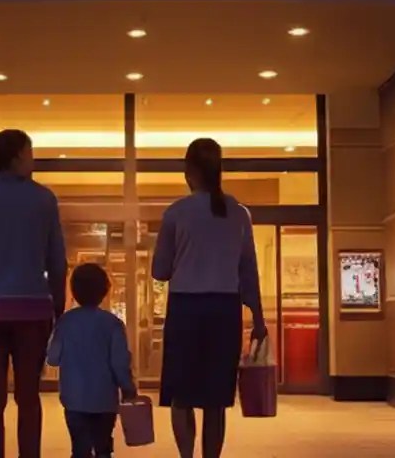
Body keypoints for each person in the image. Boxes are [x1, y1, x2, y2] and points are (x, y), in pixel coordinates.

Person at [152, 137, 267, 458]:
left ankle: (186, 456)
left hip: (185, 309)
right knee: (216, 401)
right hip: (224, 310)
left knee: (181, 396)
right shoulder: (238, 214)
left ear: (189, 172)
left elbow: (160, 271)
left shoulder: (176, 213)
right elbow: (248, 272)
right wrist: (258, 318)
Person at [0, 128, 67, 458]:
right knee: (28, 397)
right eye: (30, 152)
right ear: (17, 156)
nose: (33, 159)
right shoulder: (44, 199)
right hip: (33, 309)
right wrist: (58, 310)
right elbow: (57, 261)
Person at [48, 263, 138, 458]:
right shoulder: (113, 324)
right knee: (103, 447)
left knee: (79, 448)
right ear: (105, 290)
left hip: (73, 399)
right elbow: (119, 362)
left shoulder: (65, 322)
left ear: (74, 291)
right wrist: (128, 387)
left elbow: (53, 358)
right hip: (105, 400)